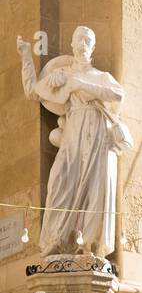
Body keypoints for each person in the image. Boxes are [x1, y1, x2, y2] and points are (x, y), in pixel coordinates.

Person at [16, 26, 133, 257]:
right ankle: (56, 240)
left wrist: (81, 85)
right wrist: (26, 57)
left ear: (93, 47)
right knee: (60, 180)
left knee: (95, 186)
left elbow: (118, 95)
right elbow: (32, 92)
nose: (82, 43)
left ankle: (87, 245)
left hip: (98, 132)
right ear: (71, 44)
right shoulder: (63, 74)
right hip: (73, 130)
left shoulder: (101, 77)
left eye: (87, 39)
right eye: (79, 38)